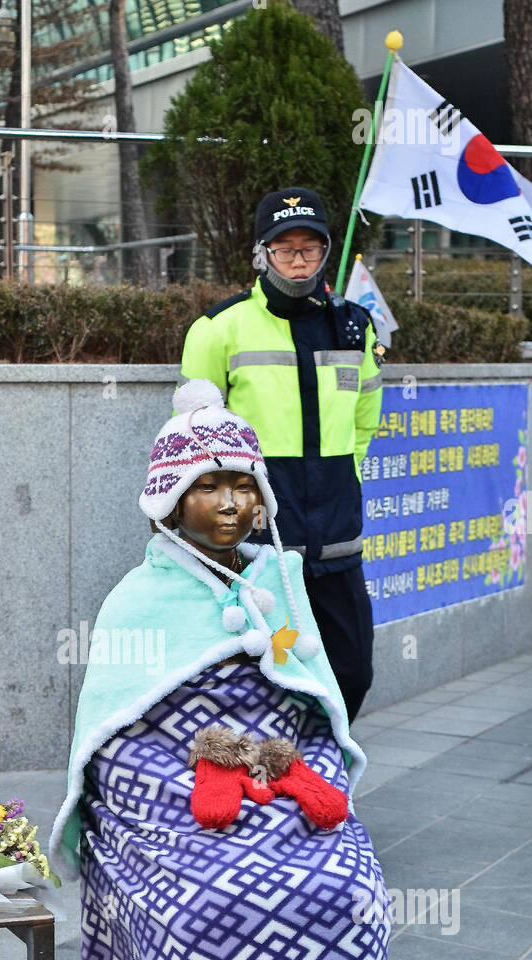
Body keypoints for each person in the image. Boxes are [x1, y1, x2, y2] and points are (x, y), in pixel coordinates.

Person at [49, 379, 411, 960]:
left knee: (343, 888)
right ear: (169, 501)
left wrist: (291, 778)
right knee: (223, 902)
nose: (230, 502)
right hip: (173, 818)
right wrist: (199, 792)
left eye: (244, 485)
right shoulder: (136, 601)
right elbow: (113, 750)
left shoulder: (279, 588)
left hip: (282, 792)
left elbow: (317, 713)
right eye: (210, 486)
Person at [178, 187, 384, 721]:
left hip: (337, 533)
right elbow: (195, 436)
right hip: (257, 538)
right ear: (260, 254)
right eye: (283, 247)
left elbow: (365, 417)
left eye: (310, 248)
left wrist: (347, 477)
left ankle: (318, 763)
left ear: (326, 253)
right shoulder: (217, 328)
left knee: (352, 670)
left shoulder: (353, 326)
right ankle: (282, 786)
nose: (298, 259)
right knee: (259, 677)